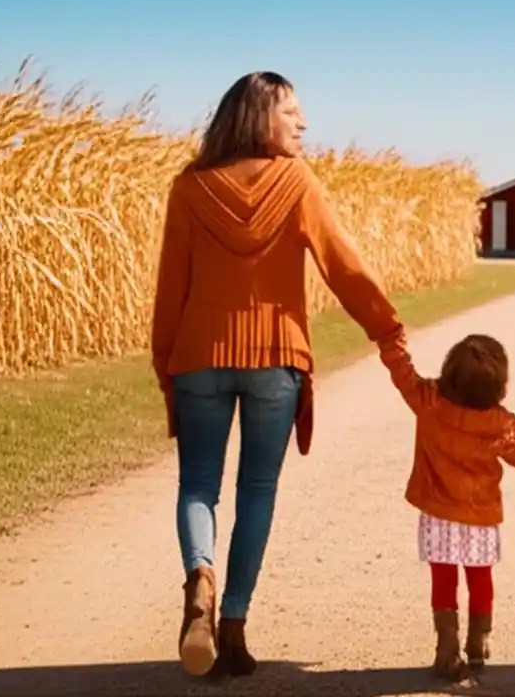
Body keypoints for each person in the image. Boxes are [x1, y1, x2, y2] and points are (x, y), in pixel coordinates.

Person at [150, 71, 403, 678]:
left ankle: (201, 584)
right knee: (256, 492)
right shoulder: (296, 183)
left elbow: (170, 288)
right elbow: (346, 266)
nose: (303, 123)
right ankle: (233, 626)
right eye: (291, 111)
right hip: (276, 360)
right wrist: (387, 331)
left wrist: (167, 364)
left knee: (197, 488)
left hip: (199, 357)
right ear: (259, 115)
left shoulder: (189, 188)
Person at [376, 329, 515, 681]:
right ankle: (478, 641)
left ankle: (447, 643)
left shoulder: (427, 400)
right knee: (480, 577)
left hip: (438, 512)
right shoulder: (502, 424)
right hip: (480, 515)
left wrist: (388, 337)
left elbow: (400, 369)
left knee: (443, 578)